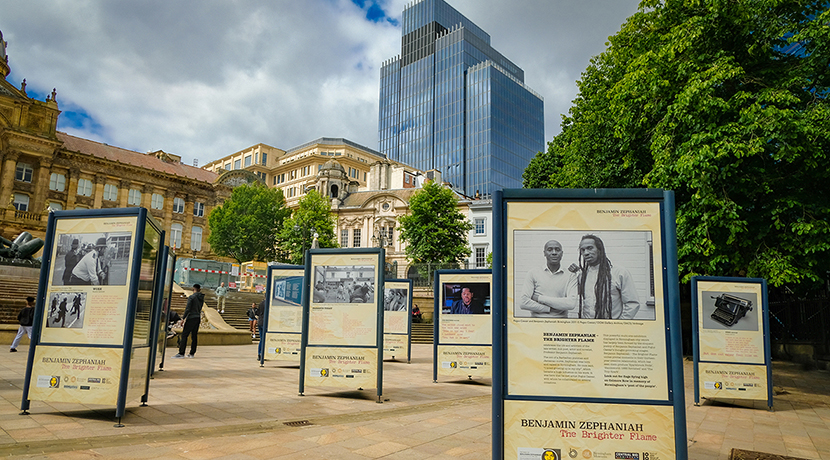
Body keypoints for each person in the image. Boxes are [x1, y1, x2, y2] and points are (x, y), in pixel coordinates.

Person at [572, 234, 641, 319]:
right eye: (583, 250)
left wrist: (619, 325)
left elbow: (632, 304)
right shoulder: (582, 276)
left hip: (611, 328)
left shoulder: (619, 273)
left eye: (590, 248)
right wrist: (571, 275)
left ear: (599, 249)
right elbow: (573, 296)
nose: (586, 253)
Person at [519, 240, 578, 318]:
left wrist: (539, 298)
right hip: (536, 322)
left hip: (561, 323)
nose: (554, 253)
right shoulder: (533, 273)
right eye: (550, 250)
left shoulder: (570, 275)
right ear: (544, 253)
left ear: (562, 253)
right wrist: (549, 309)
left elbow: (571, 304)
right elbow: (523, 302)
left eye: (557, 249)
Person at [174, 284, 204, 358]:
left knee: (184, 335)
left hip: (191, 317)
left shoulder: (192, 297)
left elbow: (188, 308)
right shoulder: (201, 298)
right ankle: (192, 353)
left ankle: (181, 353)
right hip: (197, 317)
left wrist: (183, 318)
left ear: (193, 289)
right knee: (194, 336)